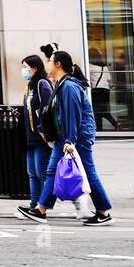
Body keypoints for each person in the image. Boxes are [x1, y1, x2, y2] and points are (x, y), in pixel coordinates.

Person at [16, 49, 114, 225]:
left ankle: (103, 212)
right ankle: (41, 209)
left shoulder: (68, 86)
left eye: (50, 61)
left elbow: (72, 115)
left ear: (58, 64)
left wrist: (70, 141)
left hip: (77, 137)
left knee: (88, 174)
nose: (47, 64)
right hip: (67, 136)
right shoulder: (62, 84)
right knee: (52, 171)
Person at [20, 53, 54, 210]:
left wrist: (42, 130)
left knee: (42, 173)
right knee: (32, 173)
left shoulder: (42, 84)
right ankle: (34, 205)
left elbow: (47, 108)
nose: (23, 70)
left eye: (25, 67)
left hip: (40, 136)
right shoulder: (30, 85)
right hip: (30, 136)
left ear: (34, 68)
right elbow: (30, 109)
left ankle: (43, 206)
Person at [87, 46, 116, 131]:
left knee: (96, 111)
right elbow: (109, 80)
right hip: (106, 90)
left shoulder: (90, 66)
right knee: (104, 110)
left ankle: (100, 129)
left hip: (96, 90)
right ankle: (114, 124)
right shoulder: (105, 67)